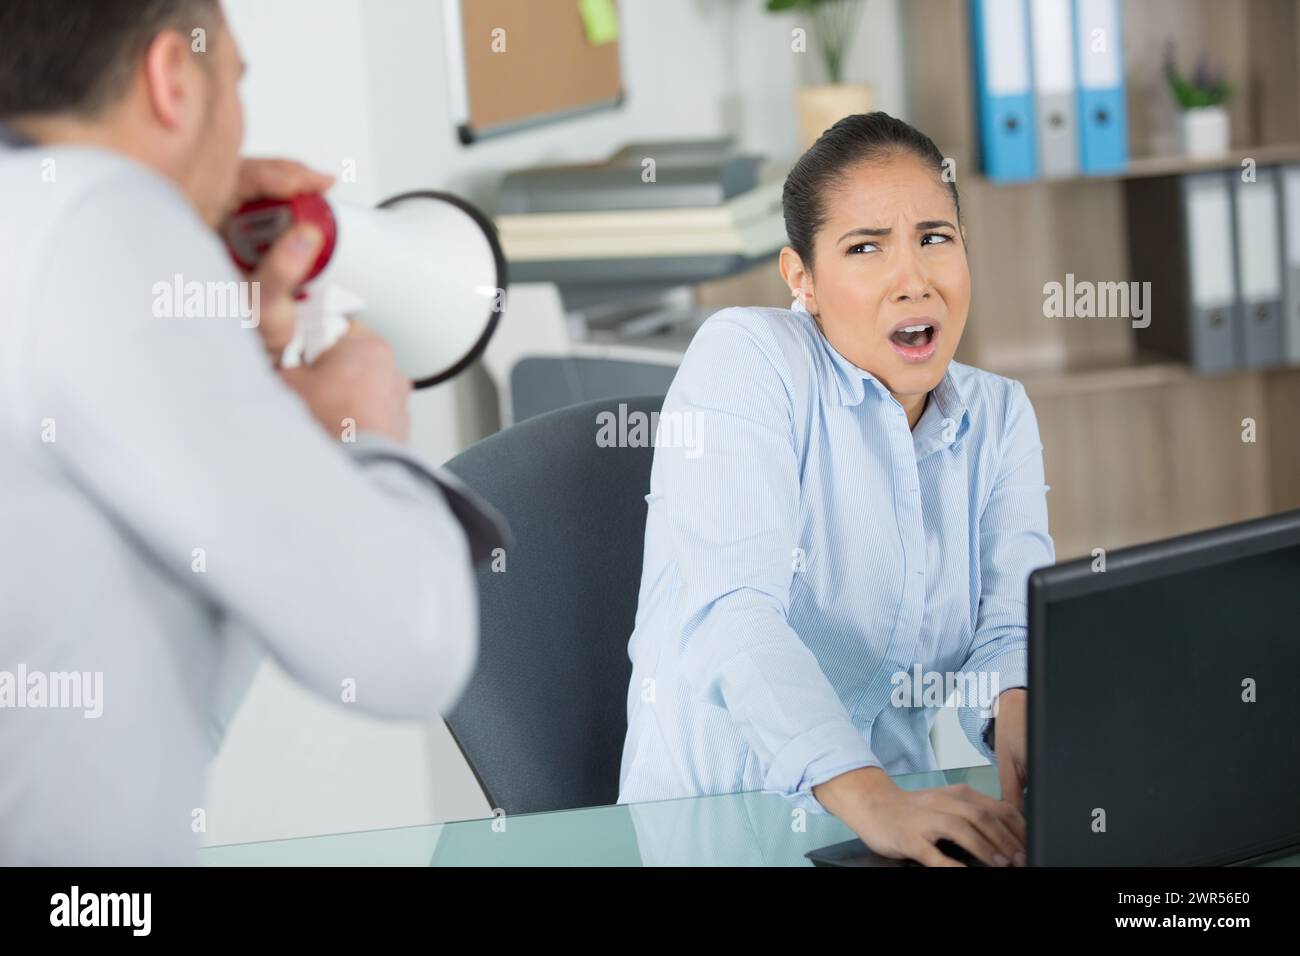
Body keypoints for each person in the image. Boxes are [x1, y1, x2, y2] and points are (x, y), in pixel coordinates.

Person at [0, 0, 501, 863]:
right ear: (171, 79)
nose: (240, 130)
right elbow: (409, 646)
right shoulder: (102, 224)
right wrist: (361, 433)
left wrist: (252, 403)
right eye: (235, 84)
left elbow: (134, 674)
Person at [618, 112, 1054, 867]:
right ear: (803, 280)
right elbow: (735, 613)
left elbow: (1009, 627)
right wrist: (874, 798)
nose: (912, 279)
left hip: (894, 843)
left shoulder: (999, 414)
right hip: (718, 839)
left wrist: (1019, 717)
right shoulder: (746, 360)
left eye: (935, 237)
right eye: (865, 249)